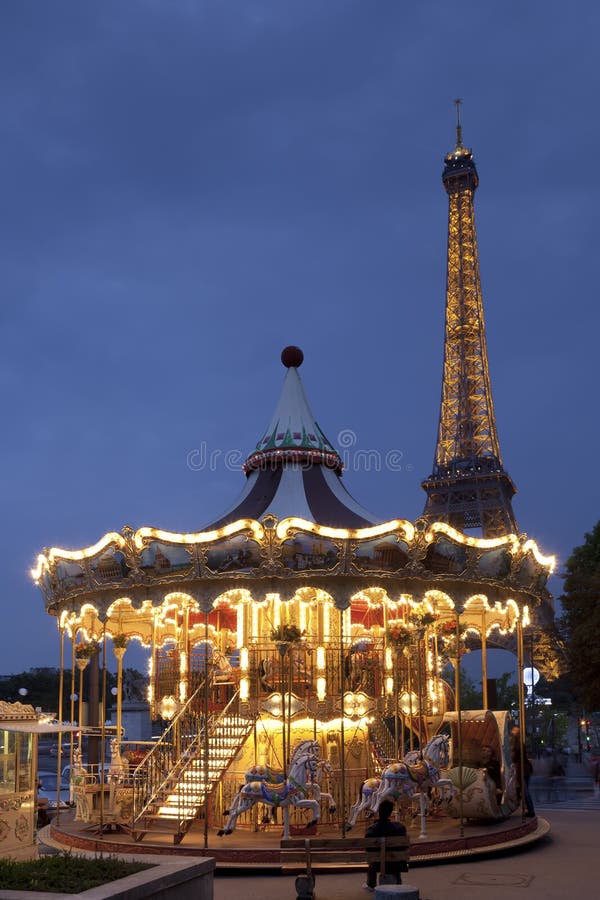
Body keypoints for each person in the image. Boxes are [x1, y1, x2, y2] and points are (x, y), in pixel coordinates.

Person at [363, 798, 407, 892]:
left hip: (377, 863)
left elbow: (368, 849)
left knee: (373, 859)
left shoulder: (372, 829)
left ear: (379, 811)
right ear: (391, 812)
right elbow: (404, 847)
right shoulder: (400, 828)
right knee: (394, 856)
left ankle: (371, 883)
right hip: (397, 861)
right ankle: (397, 881)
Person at [510, 726, 535, 817]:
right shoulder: (520, 744)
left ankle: (530, 810)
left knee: (524, 791)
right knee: (524, 790)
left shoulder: (516, 744)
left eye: (514, 731)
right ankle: (527, 809)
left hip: (522, 769)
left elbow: (514, 757)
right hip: (525, 768)